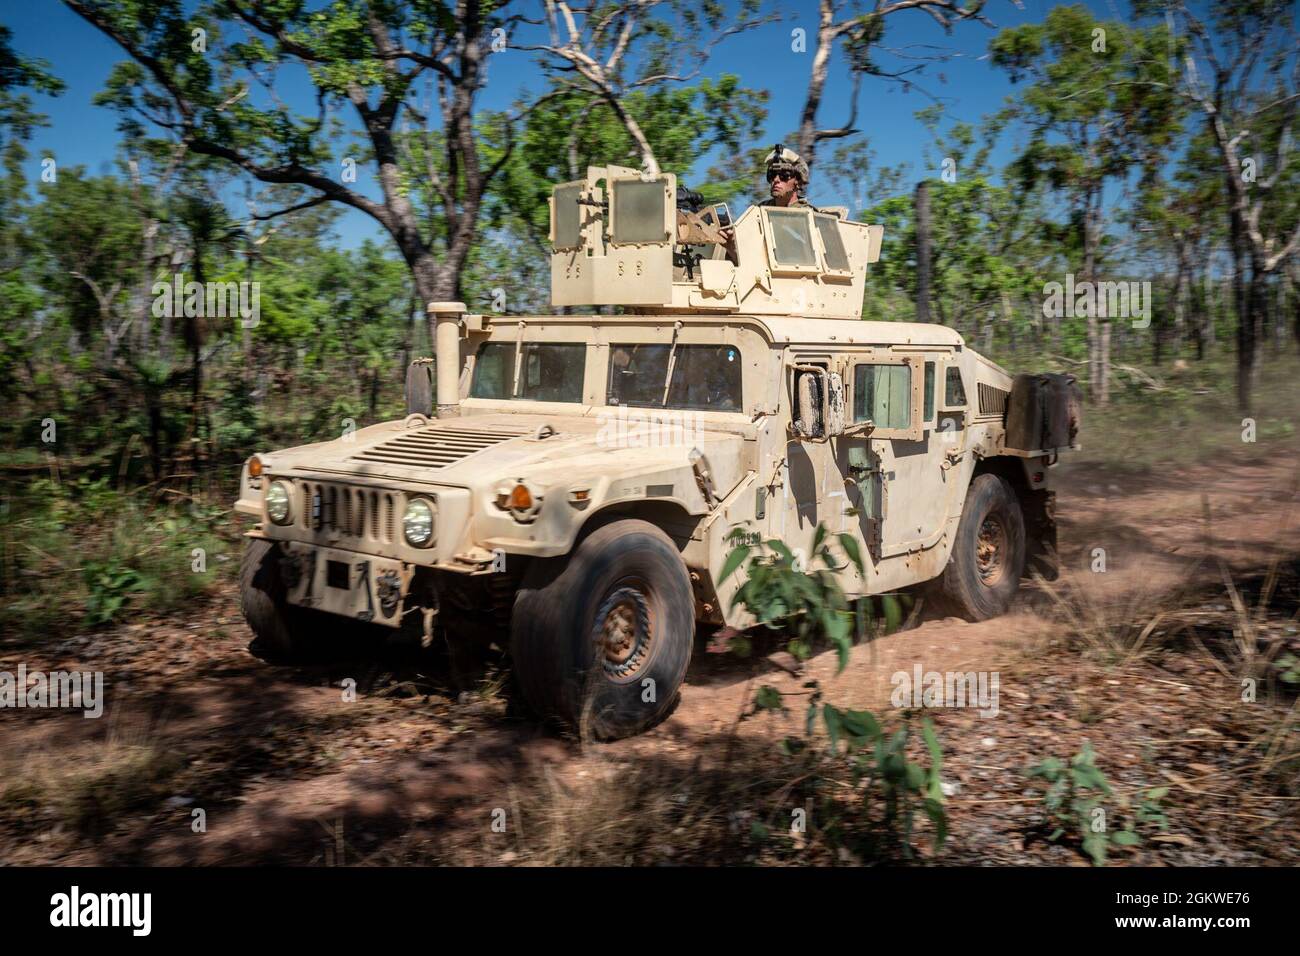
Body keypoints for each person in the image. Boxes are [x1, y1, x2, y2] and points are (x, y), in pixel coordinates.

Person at [758, 144, 816, 210]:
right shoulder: (760, 209)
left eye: (784, 175)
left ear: (798, 182)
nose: (776, 180)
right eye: (773, 174)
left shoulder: (806, 212)